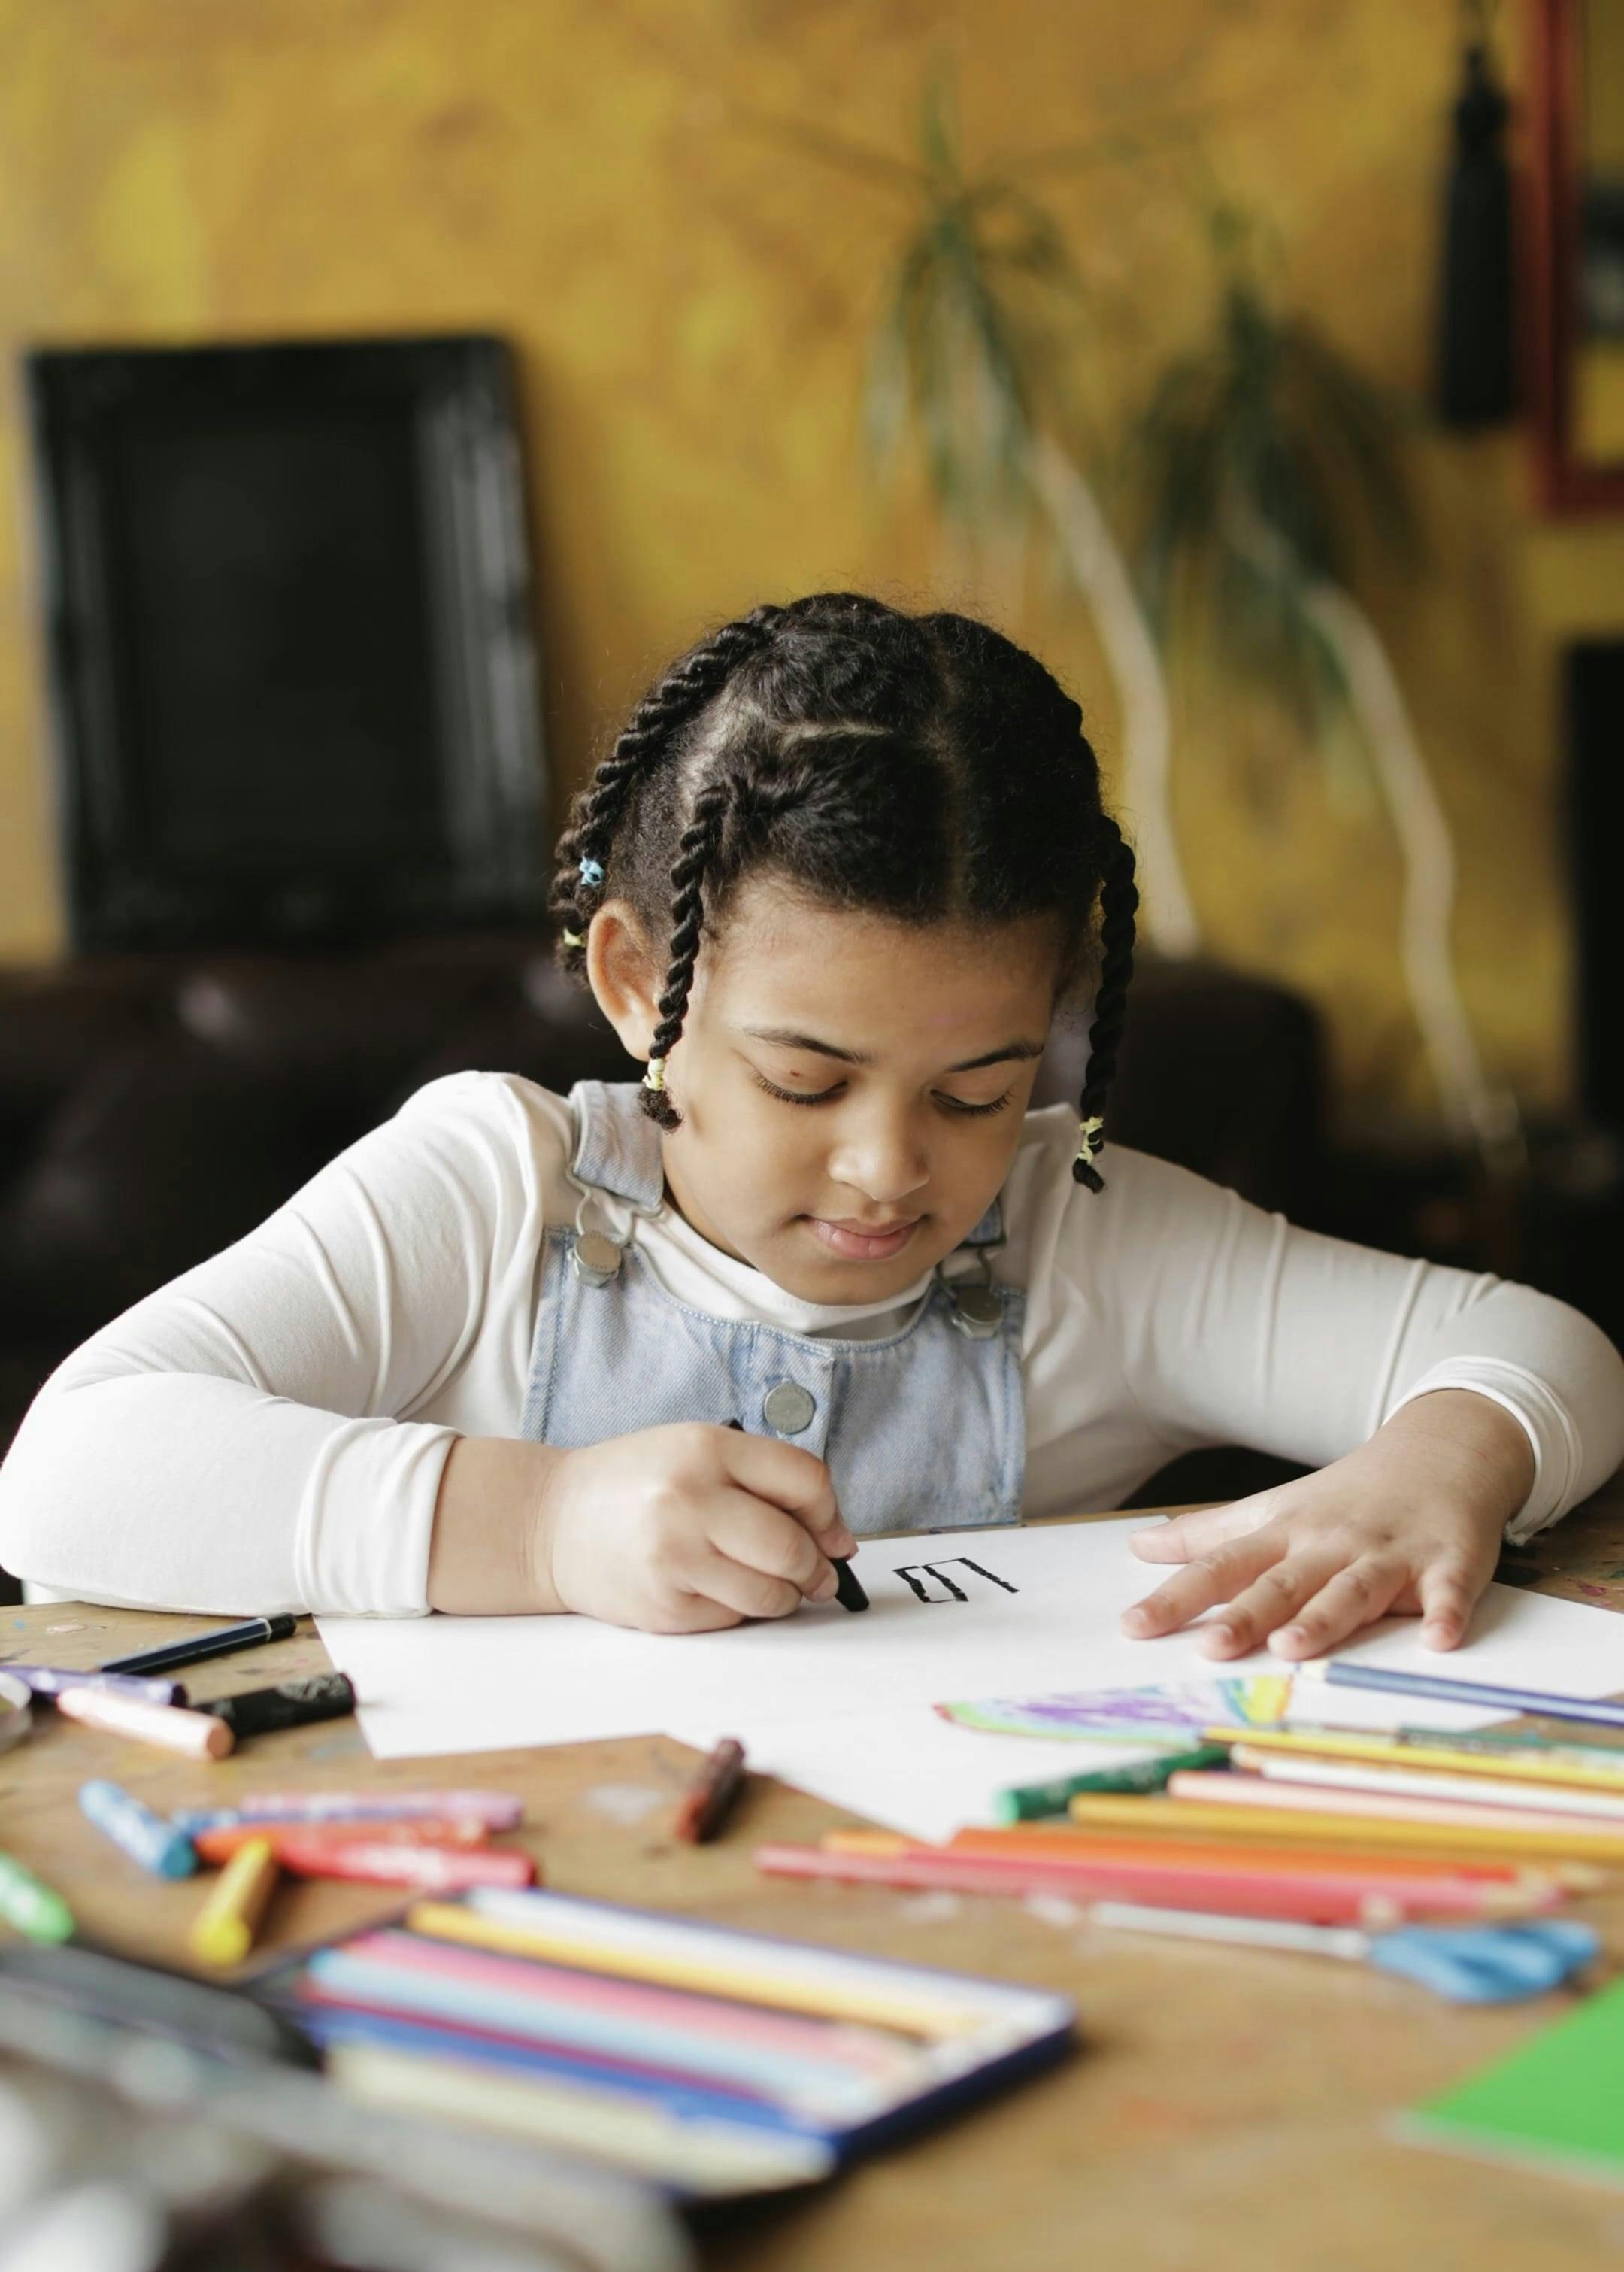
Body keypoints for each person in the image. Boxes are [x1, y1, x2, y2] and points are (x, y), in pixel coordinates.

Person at [3, 592, 1621, 1656]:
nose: (890, 1166)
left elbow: (1543, 1347)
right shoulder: (499, 1190)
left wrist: (1440, 1459)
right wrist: (552, 1524)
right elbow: (66, 1477)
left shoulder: (1082, 1236)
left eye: (979, 1087)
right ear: (638, 988)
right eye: (805, 1080)